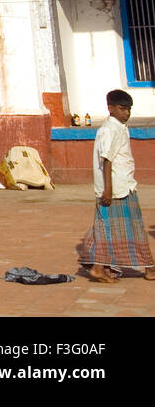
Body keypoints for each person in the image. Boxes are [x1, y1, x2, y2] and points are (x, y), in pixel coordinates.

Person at [79, 89, 155, 283]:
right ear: (111, 108)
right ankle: (148, 268)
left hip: (125, 185)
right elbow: (106, 160)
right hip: (115, 189)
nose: (126, 113)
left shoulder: (120, 126)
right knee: (111, 227)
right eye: (122, 109)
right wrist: (108, 190)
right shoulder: (110, 129)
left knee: (117, 227)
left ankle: (100, 265)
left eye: (129, 109)